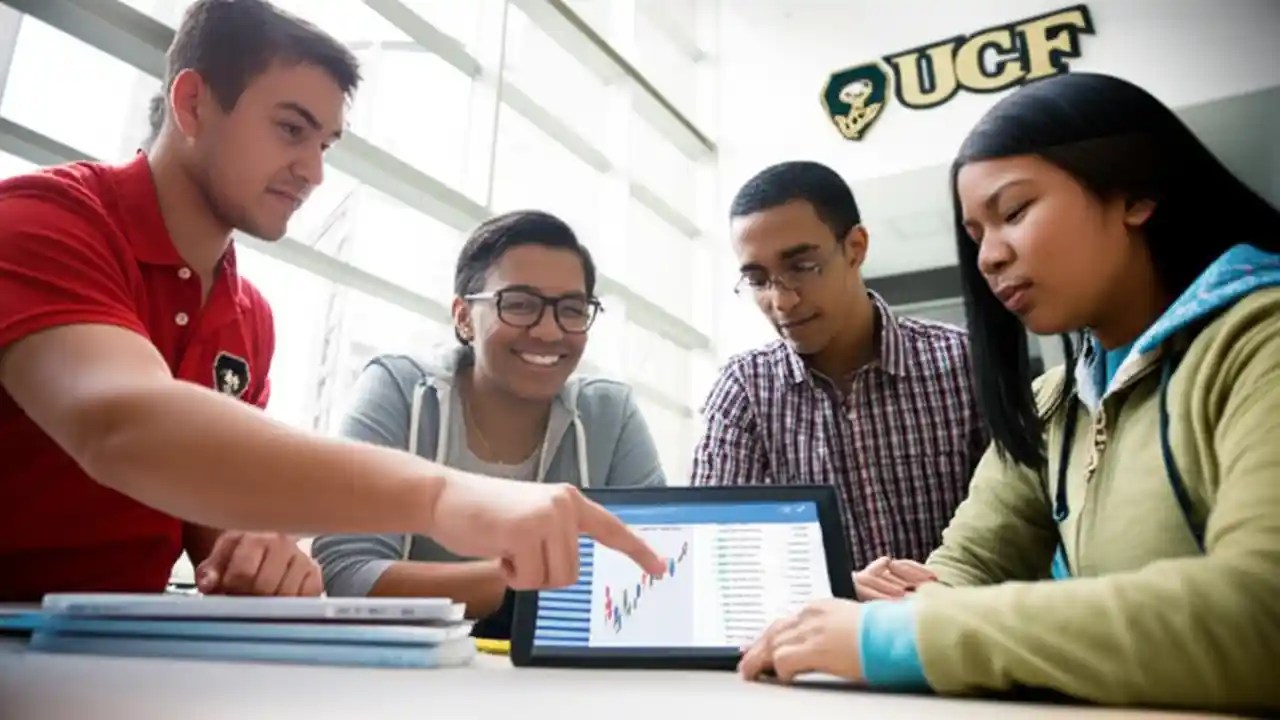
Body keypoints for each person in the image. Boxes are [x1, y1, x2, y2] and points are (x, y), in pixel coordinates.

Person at [0, 0, 663, 603]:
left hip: (108, 649)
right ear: (193, 102)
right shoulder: (47, 220)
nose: (314, 170)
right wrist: (446, 497)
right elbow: (122, 426)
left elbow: (219, 542)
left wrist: (263, 559)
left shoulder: (248, 316)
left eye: (324, 144)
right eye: (291, 130)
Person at [738, 72, 1280, 714]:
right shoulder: (1054, 404)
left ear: (1135, 192)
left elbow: (1259, 618)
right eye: (975, 236)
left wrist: (903, 633)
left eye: (1015, 212)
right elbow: (964, 568)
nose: (990, 257)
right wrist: (893, 606)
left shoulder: (1257, 343)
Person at [312, 210, 666, 637]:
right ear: (463, 316)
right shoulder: (401, 390)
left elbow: (653, 568)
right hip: (407, 677)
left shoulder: (610, 414)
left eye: (572, 309)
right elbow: (346, 575)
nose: (550, 331)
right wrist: (523, 581)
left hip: (554, 684)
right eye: (519, 305)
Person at [690, 160, 986, 569]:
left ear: (855, 248)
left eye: (802, 267)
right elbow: (720, 554)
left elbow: (1024, 529)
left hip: (959, 622)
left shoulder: (961, 364)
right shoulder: (745, 391)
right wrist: (840, 591)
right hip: (824, 630)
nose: (782, 301)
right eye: (758, 279)